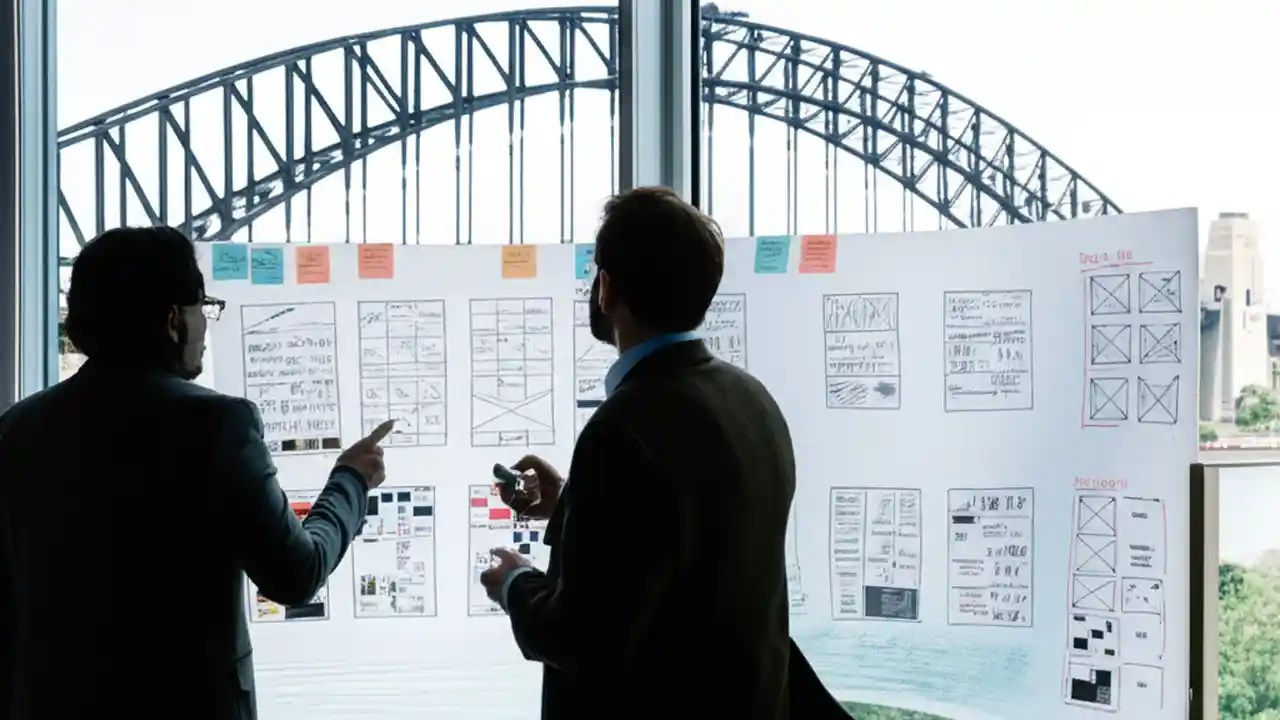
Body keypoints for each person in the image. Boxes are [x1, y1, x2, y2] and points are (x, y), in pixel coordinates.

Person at [0, 226, 393, 719]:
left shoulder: (16, 430)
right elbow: (295, 575)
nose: (205, 326)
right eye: (202, 308)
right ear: (173, 321)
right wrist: (351, 480)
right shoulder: (216, 424)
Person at [479, 187, 798, 719]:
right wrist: (571, 506)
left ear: (606, 288)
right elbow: (682, 543)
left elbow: (577, 638)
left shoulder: (623, 428)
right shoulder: (753, 400)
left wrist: (513, 582)